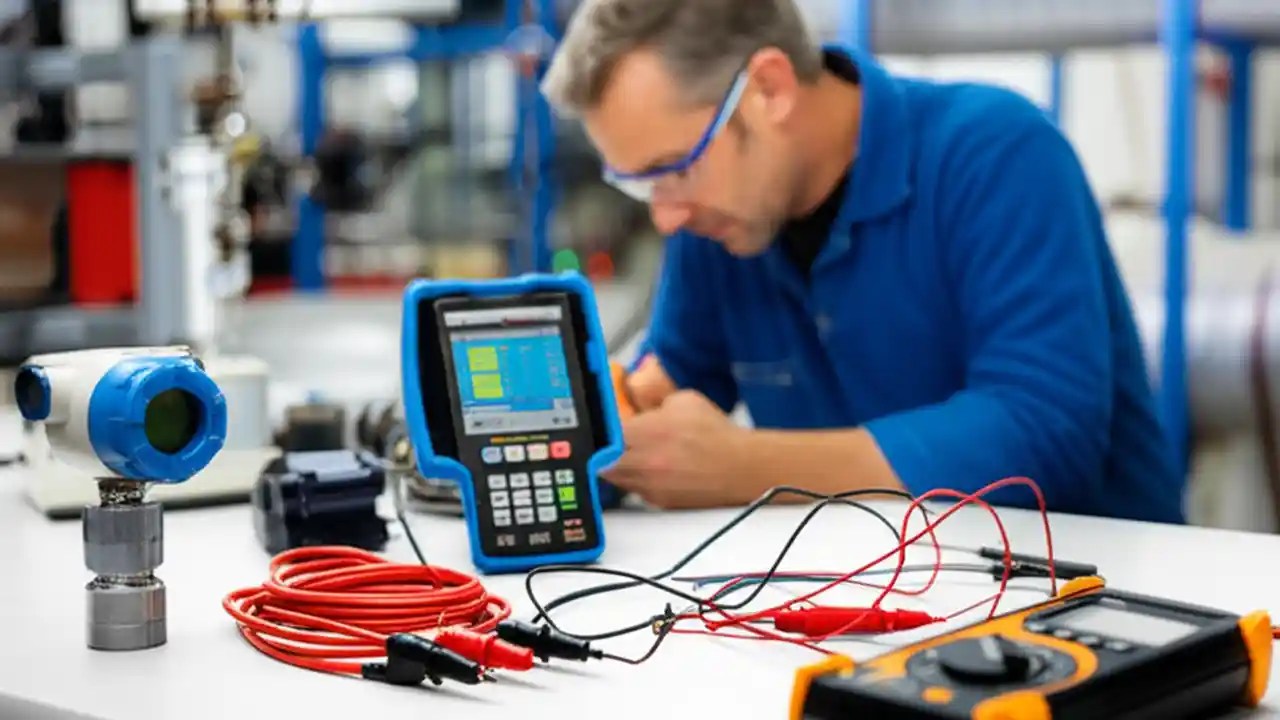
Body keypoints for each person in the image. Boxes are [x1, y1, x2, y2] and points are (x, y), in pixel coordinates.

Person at [540, 0, 1184, 523]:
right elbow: (676, 378)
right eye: (640, 184)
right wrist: (622, 424)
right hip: (863, 604)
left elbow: (1042, 436)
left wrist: (746, 465)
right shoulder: (719, 220)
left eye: (671, 169)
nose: (665, 216)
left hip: (1092, 603)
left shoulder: (995, 153)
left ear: (768, 89)